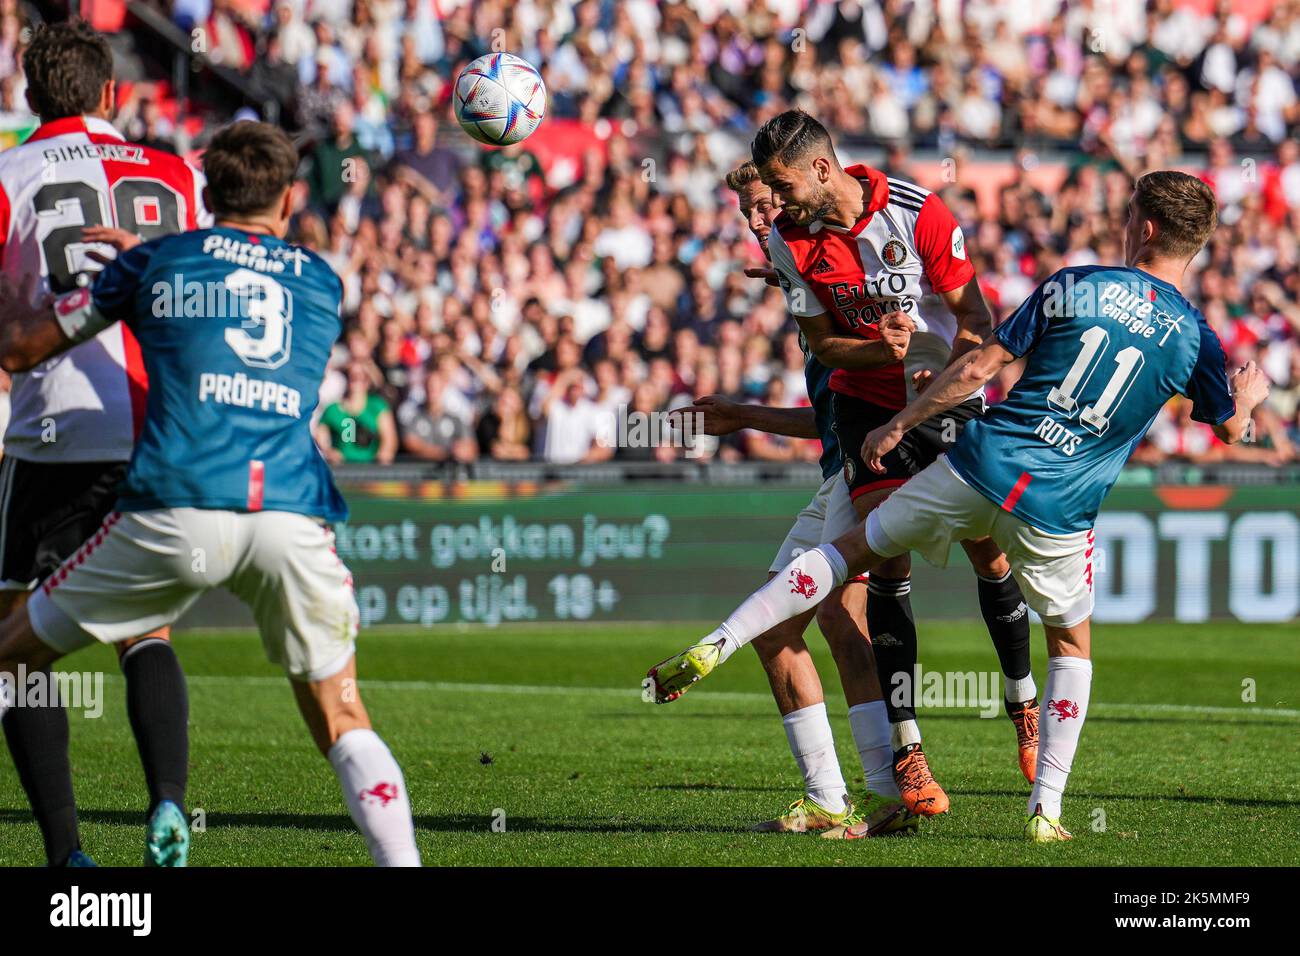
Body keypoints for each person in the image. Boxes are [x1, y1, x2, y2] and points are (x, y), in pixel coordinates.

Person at [649, 170, 1269, 842]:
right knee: (1065, 637)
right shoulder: (1193, 335)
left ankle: (728, 643)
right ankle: (1042, 806)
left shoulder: (1076, 281)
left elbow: (979, 365)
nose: (767, 218)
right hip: (1061, 505)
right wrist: (1250, 400)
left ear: (1142, 227)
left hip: (981, 462)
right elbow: (1231, 428)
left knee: (852, 560)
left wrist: (901, 418)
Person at [0, 120, 422, 866]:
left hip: (175, 508)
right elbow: (232, 298)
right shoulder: (323, 280)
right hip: (292, 512)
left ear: (204, 193)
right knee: (341, 712)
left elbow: (24, 347)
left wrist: (120, 275)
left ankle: (66, 853)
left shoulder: (158, 263)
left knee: (12, 659)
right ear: (291, 199)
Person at [717, 109, 1037, 816]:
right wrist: (881, 352)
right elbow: (827, 348)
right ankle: (908, 750)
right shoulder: (787, 245)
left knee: (986, 547)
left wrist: (928, 369)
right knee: (885, 556)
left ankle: (1023, 701)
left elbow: (978, 324)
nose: (775, 200)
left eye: (781, 183)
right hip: (863, 409)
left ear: (822, 170)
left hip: (946, 391)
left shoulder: (919, 213)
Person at [0, 21, 207, 867]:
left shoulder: (11, 171)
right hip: (153, 429)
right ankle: (167, 807)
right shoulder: (176, 173)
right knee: (147, 630)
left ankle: (67, 857)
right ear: (113, 95)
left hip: (52, 428)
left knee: (17, 646)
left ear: (27, 96)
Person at [655, 161, 910, 837]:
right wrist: (746, 416)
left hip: (864, 468)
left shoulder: (838, 269)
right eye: (746, 212)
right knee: (806, 629)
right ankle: (845, 796)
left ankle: (886, 789)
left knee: (833, 620)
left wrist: (746, 414)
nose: (756, 221)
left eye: (766, 205)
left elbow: (890, 353)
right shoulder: (804, 275)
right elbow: (825, 418)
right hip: (839, 466)